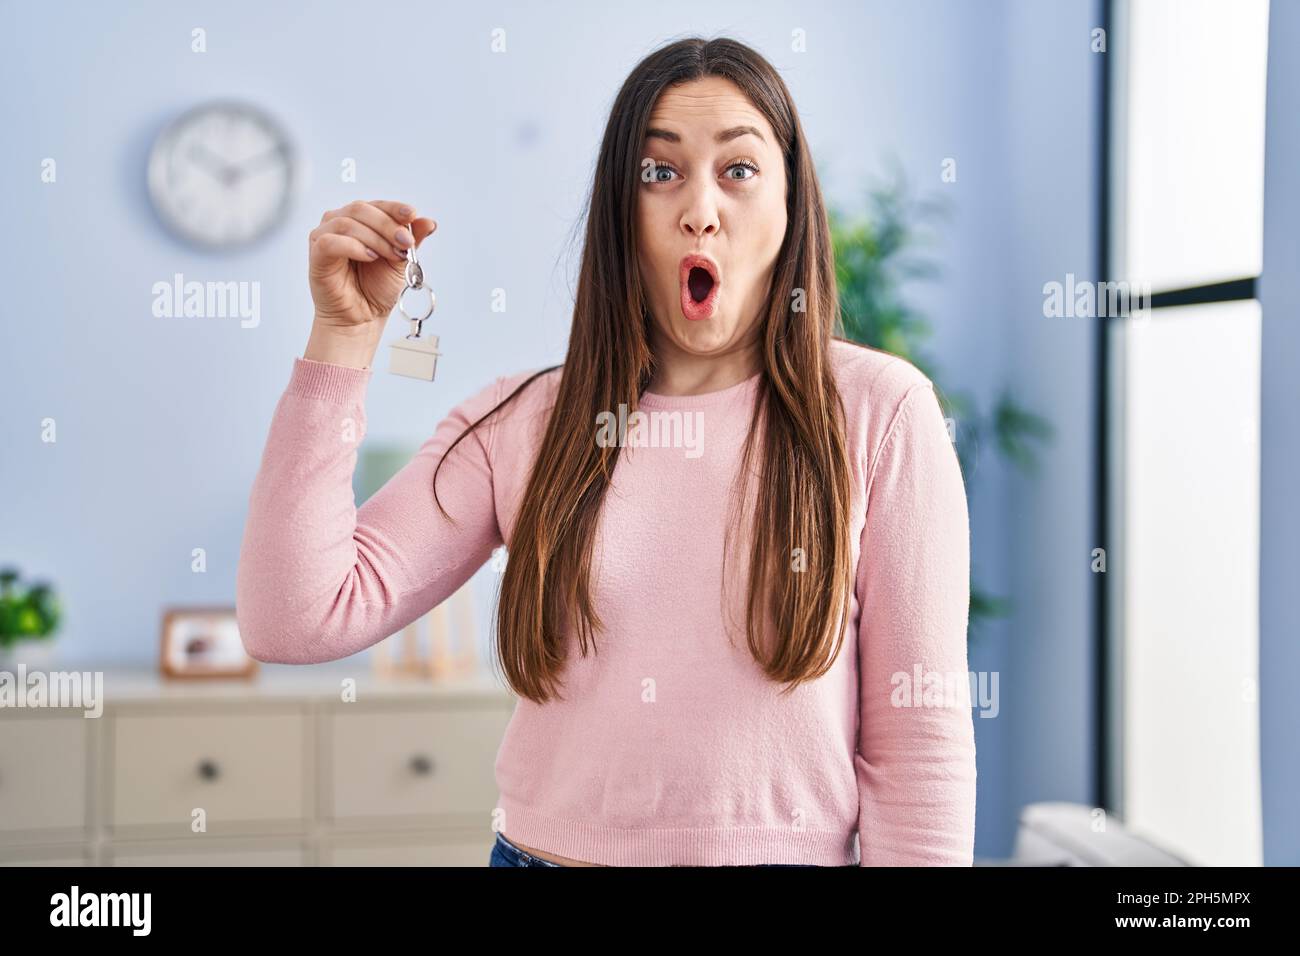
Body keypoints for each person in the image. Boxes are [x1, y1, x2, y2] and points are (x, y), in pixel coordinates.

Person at [236, 36, 976, 868]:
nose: (700, 208)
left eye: (738, 170)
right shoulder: (522, 423)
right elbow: (292, 619)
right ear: (618, 214)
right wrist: (341, 341)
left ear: (790, 206)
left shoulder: (881, 411)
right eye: (659, 173)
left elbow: (921, 741)